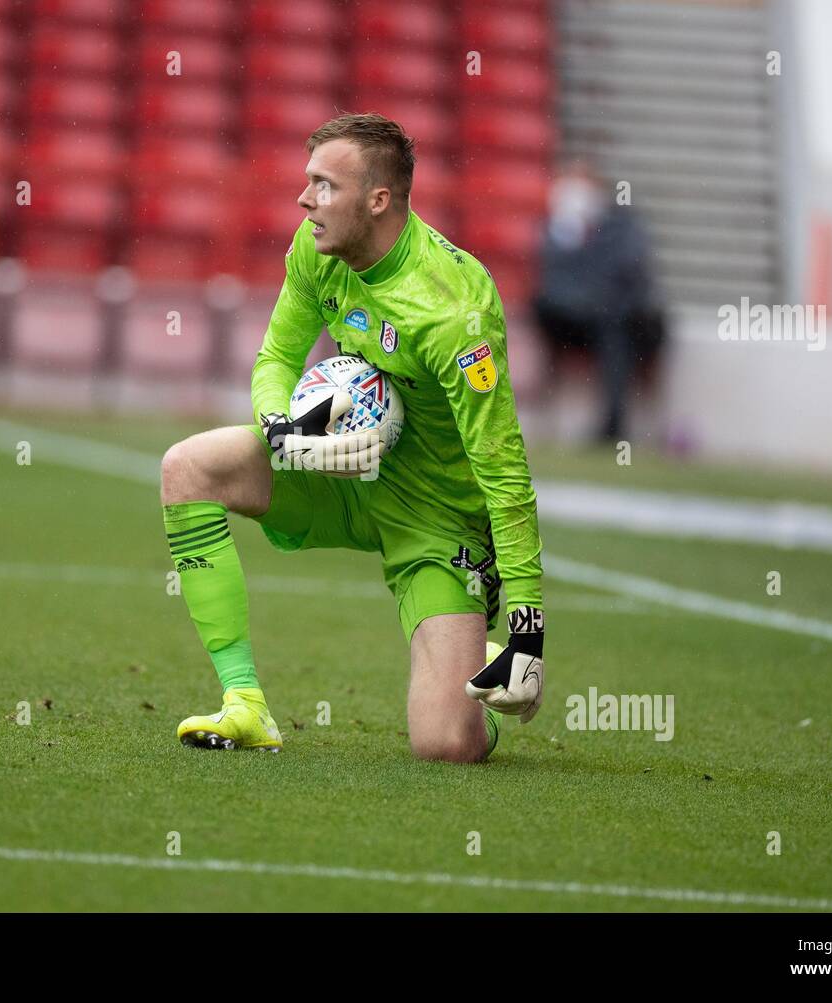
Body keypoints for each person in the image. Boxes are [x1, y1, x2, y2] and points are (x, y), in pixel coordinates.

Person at [159, 113, 545, 763]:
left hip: (436, 515)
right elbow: (277, 358)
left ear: (378, 200)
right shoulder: (317, 247)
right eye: (307, 183)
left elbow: (504, 470)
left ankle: (477, 667)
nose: (304, 200)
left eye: (323, 186)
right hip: (337, 465)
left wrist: (527, 632)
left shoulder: (454, 310)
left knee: (445, 743)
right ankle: (244, 704)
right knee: (189, 466)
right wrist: (282, 430)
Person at [533, 158, 658, 442]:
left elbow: (630, 276)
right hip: (573, 319)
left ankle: (612, 426)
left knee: (615, 329)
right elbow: (551, 284)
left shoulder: (621, 226)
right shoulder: (557, 230)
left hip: (625, 321)